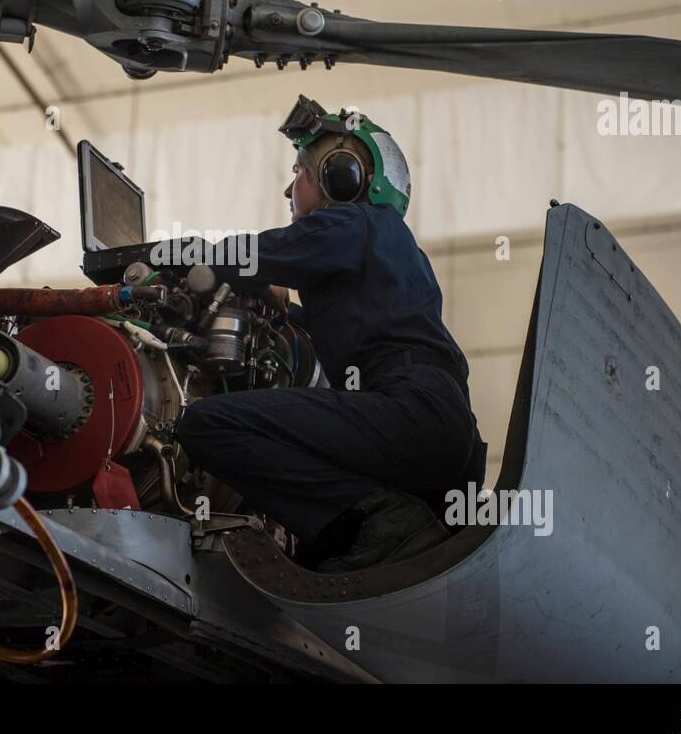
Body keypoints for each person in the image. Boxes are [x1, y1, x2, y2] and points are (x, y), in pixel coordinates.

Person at [175, 95, 487, 572]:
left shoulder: (356, 222)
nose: (288, 191)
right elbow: (358, 323)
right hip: (444, 434)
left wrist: (175, 257)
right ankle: (370, 525)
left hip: (407, 410)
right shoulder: (388, 245)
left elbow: (251, 253)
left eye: (298, 172)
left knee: (206, 423)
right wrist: (285, 309)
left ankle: (385, 518)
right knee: (319, 558)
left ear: (340, 176)